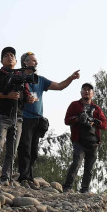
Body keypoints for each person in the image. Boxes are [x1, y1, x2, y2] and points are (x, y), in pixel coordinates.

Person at [14, 52, 80, 184]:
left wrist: (71, 78)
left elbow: (59, 86)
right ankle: (24, 177)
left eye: (36, 61)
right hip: (24, 118)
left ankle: (29, 176)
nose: (36, 63)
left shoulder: (40, 80)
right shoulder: (18, 77)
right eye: (33, 60)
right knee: (24, 148)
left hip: (37, 120)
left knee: (34, 151)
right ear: (25, 62)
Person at [0, 47, 35, 184]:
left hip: (17, 117)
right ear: (1, 60)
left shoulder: (21, 76)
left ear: (15, 61)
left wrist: (29, 98)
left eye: (12, 56)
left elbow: (26, 94)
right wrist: (7, 95)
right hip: (1, 115)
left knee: (12, 151)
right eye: (6, 56)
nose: (9, 58)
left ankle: (5, 177)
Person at [63, 83, 107, 193]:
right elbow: (67, 120)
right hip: (79, 140)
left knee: (89, 168)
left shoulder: (97, 109)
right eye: (84, 89)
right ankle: (67, 187)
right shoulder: (75, 105)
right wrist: (77, 119)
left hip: (93, 142)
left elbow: (104, 125)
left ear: (93, 93)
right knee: (76, 163)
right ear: (81, 92)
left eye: (89, 90)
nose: (87, 91)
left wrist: (95, 122)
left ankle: (85, 189)